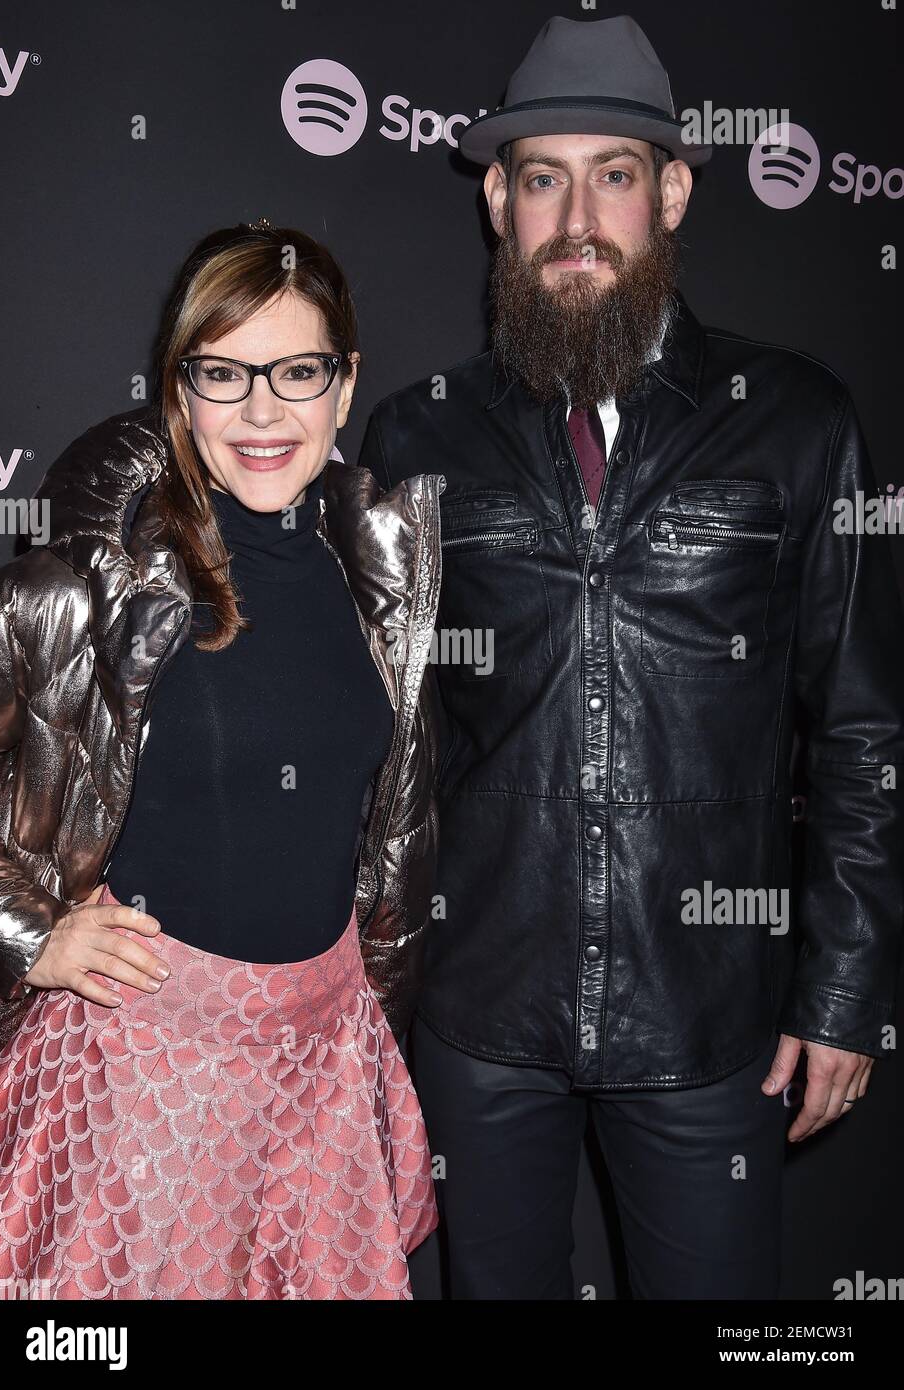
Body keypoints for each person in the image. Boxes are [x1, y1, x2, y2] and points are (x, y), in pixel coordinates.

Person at [357, 15, 904, 1299]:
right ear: (498, 200)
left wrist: (843, 987)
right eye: (543, 177)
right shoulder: (415, 433)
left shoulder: (794, 419)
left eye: (615, 175)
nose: (578, 217)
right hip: (479, 1015)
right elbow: (375, 735)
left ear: (671, 193)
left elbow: (863, 729)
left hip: (706, 1018)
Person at [0, 220, 444, 1300]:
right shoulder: (84, 592)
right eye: (225, 374)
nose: (265, 410)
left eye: (298, 370)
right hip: (138, 1081)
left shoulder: (384, 582)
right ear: (179, 390)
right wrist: (31, 934)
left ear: (347, 381)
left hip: (319, 1069)